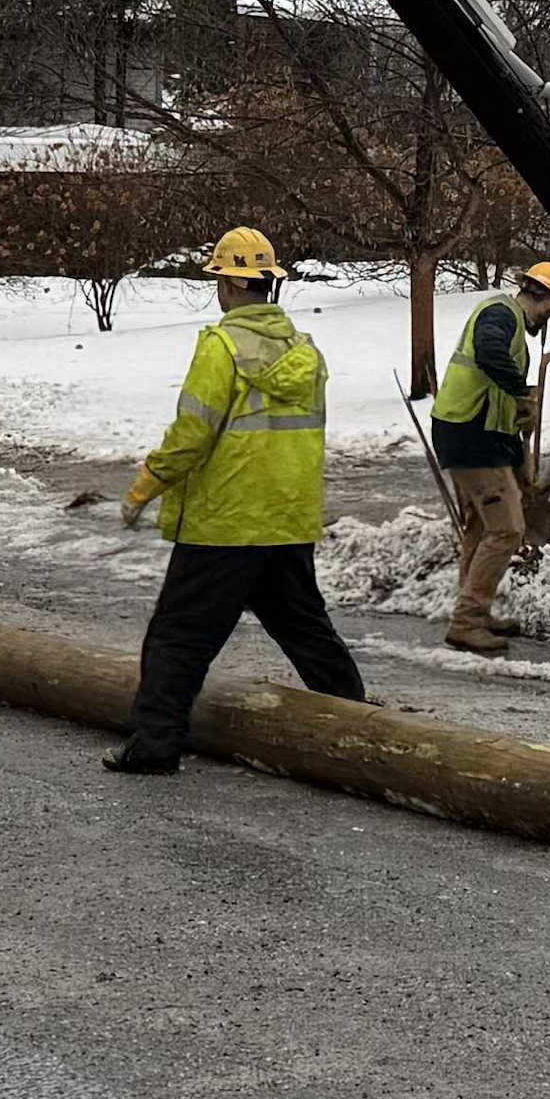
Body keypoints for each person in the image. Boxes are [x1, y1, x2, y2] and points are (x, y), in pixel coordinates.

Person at [105, 226, 366, 775]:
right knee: (304, 628)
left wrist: (144, 487)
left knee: (178, 635)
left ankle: (154, 743)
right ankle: (360, 727)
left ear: (226, 285)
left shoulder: (220, 347)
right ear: (269, 285)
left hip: (224, 524)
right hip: (287, 521)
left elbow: (192, 435)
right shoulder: (306, 352)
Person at [430, 258, 550, 653]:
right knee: (508, 529)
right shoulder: (501, 315)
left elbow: (501, 407)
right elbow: (490, 353)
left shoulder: (505, 320)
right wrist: (522, 390)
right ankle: (467, 621)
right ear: (541, 296)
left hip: (467, 432)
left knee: (480, 527)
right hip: (469, 435)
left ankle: (473, 612)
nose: (549, 317)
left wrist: (517, 462)